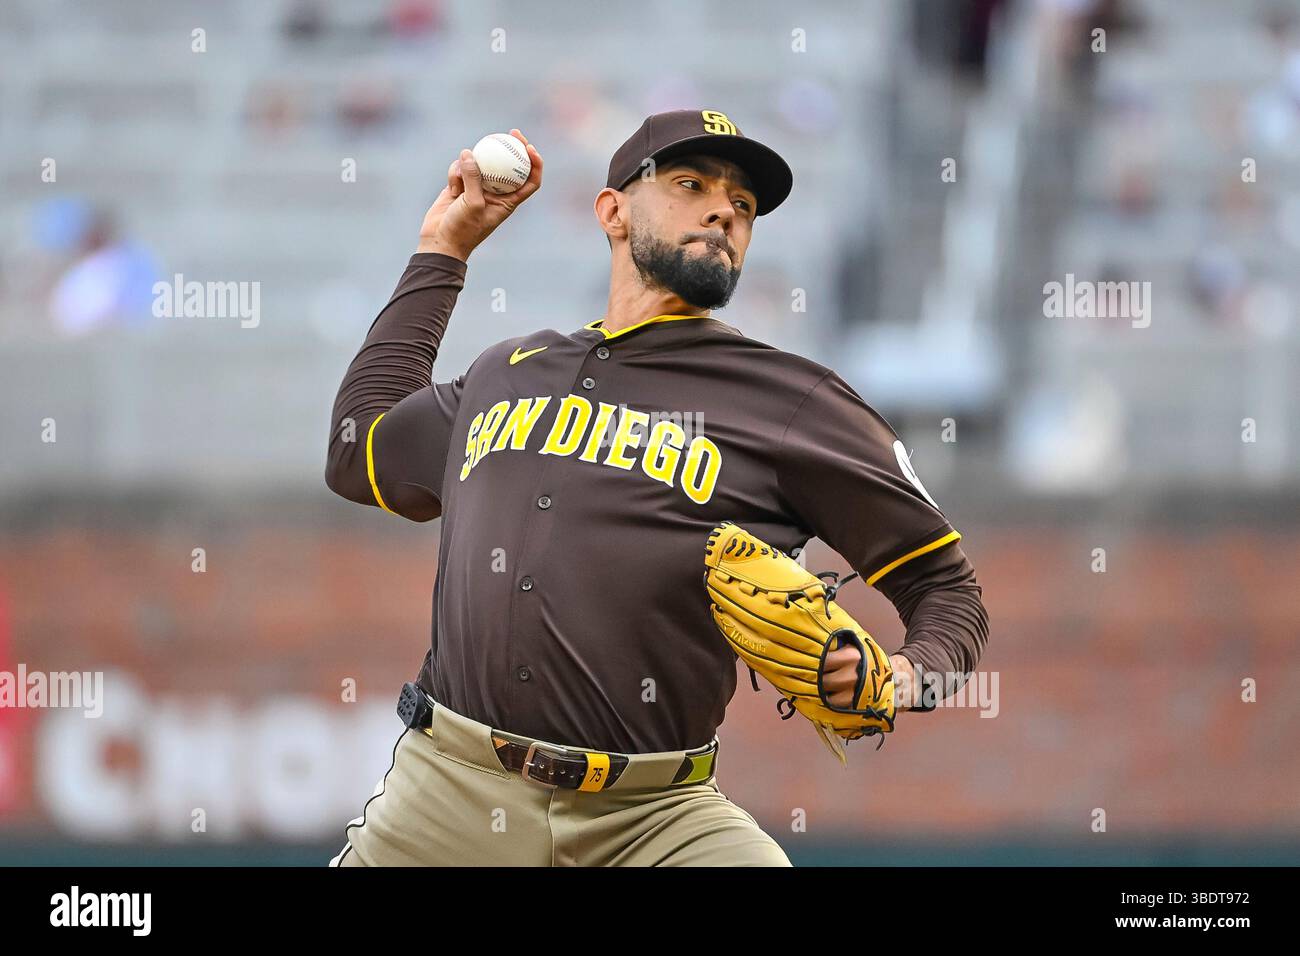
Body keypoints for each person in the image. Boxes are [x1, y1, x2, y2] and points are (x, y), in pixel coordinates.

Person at [324, 110, 989, 866]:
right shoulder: (508, 371)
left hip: (656, 820)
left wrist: (905, 679)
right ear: (612, 211)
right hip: (447, 796)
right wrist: (443, 251)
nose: (723, 211)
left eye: (743, 205)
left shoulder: (793, 401)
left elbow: (947, 588)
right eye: (689, 184)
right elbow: (357, 452)